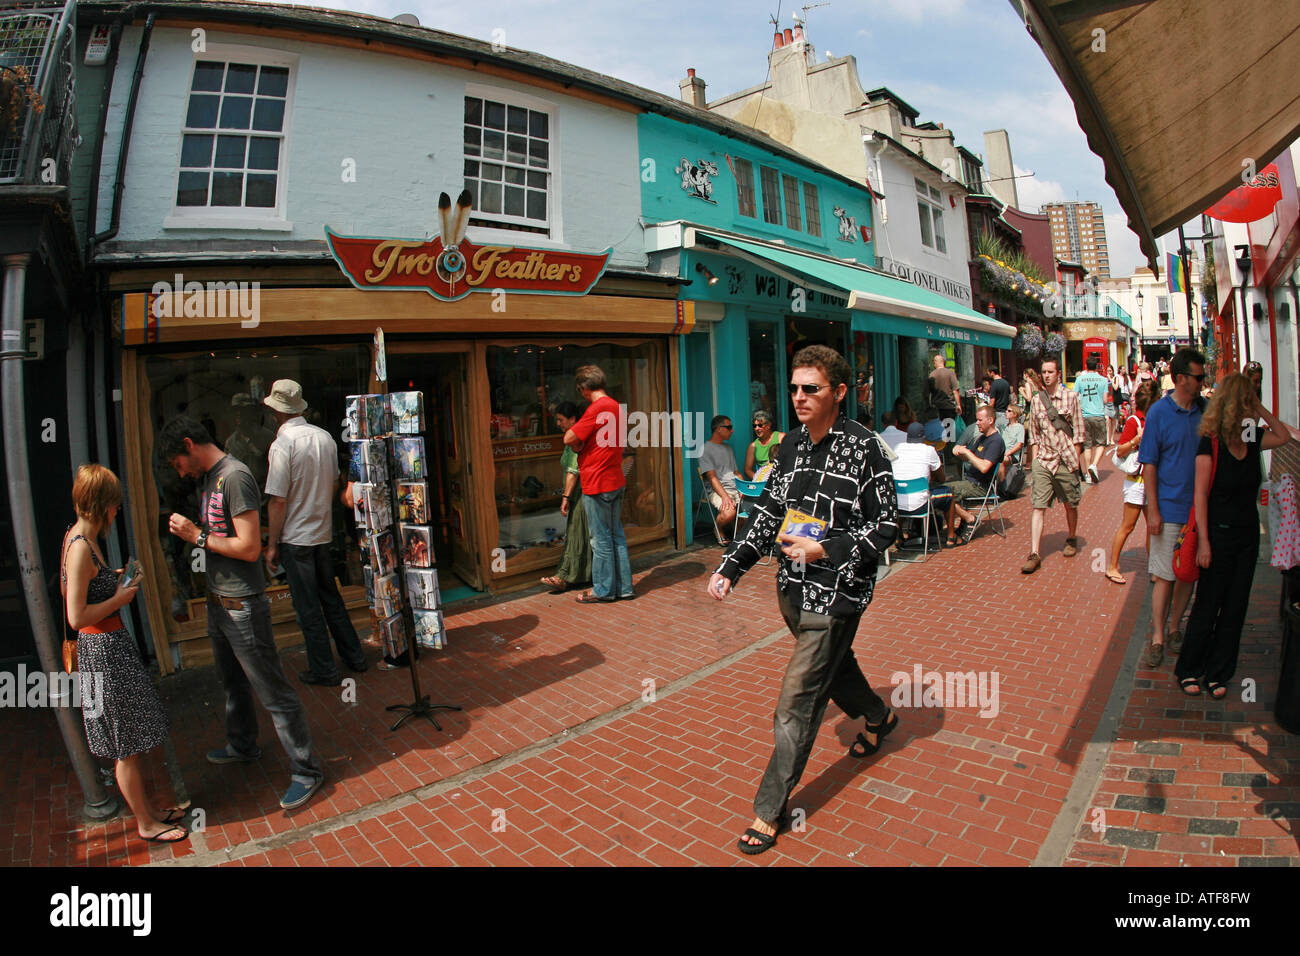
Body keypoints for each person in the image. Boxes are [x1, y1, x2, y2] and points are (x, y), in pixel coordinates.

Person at [708, 345, 898, 856]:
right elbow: (768, 512)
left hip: (837, 592)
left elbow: (886, 525)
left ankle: (769, 809)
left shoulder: (868, 448)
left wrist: (828, 547)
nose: (798, 397)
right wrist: (731, 566)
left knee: (798, 697)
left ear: (838, 392)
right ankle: (879, 716)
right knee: (832, 669)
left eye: (810, 388)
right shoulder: (788, 445)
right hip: (790, 588)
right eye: (794, 388)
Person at [160, 415, 325, 810]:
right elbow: (226, 535)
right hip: (220, 602)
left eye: (178, 462)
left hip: (242, 606)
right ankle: (243, 744)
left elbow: (250, 547)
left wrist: (196, 536)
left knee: (272, 689)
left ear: (188, 444)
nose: (180, 472)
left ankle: (307, 770)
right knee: (232, 683)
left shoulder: (235, 476)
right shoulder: (212, 478)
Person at [61, 465, 185, 844]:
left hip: (109, 646)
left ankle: (149, 811)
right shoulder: (81, 545)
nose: (117, 512)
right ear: (101, 505)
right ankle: (146, 824)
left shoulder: (80, 537)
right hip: (102, 650)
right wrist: (119, 597)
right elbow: (76, 615)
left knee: (130, 738)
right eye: (113, 506)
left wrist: (114, 578)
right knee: (125, 747)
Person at [1175, 374, 1295, 696]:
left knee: (1235, 606)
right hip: (1215, 536)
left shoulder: (1252, 436)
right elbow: (1200, 495)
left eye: (1251, 402)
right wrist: (1203, 542)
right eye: (1246, 401)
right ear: (1232, 404)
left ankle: (1218, 672)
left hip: (1246, 538)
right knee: (1208, 604)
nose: (1250, 408)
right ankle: (1189, 668)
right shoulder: (1210, 440)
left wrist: (1262, 408)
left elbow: (1283, 437)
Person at [261, 379, 368, 687]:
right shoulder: (325, 438)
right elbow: (334, 482)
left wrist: (272, 544)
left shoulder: (282, 445)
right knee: (331, 600)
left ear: (276, 412)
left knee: (308, 609)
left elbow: (278, 500)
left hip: (296, 538)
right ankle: (355, 656)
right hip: (321, 533)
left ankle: (324, 669)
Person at [1137, 347, 1207, 667]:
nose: (1202, 382)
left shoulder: (1206, 411)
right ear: (1180, 379)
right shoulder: (1158, 414)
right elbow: (1149, 464)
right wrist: (1152, 510)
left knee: (1187, 575)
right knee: (1164, 575)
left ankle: (1176, 626)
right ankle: (1157, 637)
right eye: (1198, 377)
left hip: (1198, 512)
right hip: (1167, 509)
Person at [564, 365, 634, 603]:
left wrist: (579, 445)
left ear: (583, 388)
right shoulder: (616, 406)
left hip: (597, 479)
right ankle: (624, 588)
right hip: (614, 477)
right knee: (616, 536)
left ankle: (603, 590)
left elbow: (569, 437)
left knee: (600, 539)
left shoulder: (597, 408)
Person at [1021, 359, 1085, 574]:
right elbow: (1034, 434)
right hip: (1045, 461)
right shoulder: (1037, 400)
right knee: (1038, 506)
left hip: (1066, 460)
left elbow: (1079, 431)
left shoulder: (1071, 397)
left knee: (1070, 503)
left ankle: (1072, 537)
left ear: (1059, 373)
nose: (1046, 375)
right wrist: (1036, 460)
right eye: (1043, 372)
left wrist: (1075, 459)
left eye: (1050, 372)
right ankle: (1035, 553)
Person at [1102, 380, 1160, 585]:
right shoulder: (1134, 421)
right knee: (1128, 526)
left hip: (1153, 482)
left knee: (1153, 528)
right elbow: (1120, 451)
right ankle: (1112, 566)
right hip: (1137, 482)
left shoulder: (1157, 420)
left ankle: (1155, 568)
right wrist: (1137, 440)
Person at [541, 401, 592, 593]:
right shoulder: (574, 437)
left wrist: (565, 497)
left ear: (572, 419)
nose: (559, 424)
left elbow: (573, 471)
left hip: (580, 493)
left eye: (561, 420)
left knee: (576, 533)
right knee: (582, 533)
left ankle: (564, 576)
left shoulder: (575, 440)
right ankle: (585, 574)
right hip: (582, 493)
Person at [944, 405, 1005, 547]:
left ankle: (970, 519)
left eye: (980, 420)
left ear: (990, 420)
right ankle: (965, 520)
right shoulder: (982, 438)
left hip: (980, 486)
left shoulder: (996, 441)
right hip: (970, 481)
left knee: (943, 493)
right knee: (941, 490)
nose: (977, 423)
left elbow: (984, 467)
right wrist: (961, 452)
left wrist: (968, 454)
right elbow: (971, 458)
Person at [892, 422, 943, 545]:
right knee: (949, 495)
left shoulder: (897, 448)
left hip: (897, 505)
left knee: (906, 496)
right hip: (921, 505)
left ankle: (898, 536)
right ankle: (952, 537)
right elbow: (942, 478)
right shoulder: (929, 450)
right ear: (923, 437)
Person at [700, 414, 743, 539]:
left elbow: (736, 473)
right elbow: (712, 477)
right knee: (729, 513)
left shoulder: (728, 448)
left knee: (754, 511)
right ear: (719, 429)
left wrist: (744, 488)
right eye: (729, 427)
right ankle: (718, 529)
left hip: (735, 488)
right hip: (718, 490)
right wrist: (724, 496)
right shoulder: (705, 449)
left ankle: (736, 529)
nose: (732, 430)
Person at [1073, 354, 1109, 483]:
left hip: (1084, 416)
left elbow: (1074, 396)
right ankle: (1094, 465)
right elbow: (1105, 400)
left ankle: (1088, 473)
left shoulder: (1080, 379)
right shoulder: (1103, 380)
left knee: (1087, 445)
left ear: (1086, 366)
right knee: (1101, 443)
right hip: (1098, 414)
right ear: (1098, 366)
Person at [744, 410, 784, 480]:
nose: (757, 428)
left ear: (768, 425)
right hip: (764, 479)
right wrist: (759, 480)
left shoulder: (781, 437)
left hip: (781, 476)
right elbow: (747, 469)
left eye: (760, 425)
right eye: (754, 426)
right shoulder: (753, 446)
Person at [927, 353, 962, 423]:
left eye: (934, 362)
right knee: (949, 431)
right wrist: (958, 405)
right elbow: (955, 391)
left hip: (937, 408)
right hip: (949, 407)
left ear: (935, 362)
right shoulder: (950, 373)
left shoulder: (931, 375)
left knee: (939, 431)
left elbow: (928, 393)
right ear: (943, 362)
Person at [997, 403, 1026, 486]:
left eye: (1009, 411)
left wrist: (1008, 453)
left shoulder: (1019, 427)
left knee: (1001, 461)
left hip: (1012, 455)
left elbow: (1020, 444)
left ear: (1015, 414)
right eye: (1006, 410)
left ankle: (1002, 486)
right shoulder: (1005, 426)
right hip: (1003, 453)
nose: (1006, 412)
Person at [987, 367, 1012, 431]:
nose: (988, 375)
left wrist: (988, 412)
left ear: (992, 373)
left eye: (988, 373)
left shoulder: (994, 384)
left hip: (997, 412)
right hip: (1006, 412)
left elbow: (992, 401)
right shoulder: (1006, 383)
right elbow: (1010, 397)